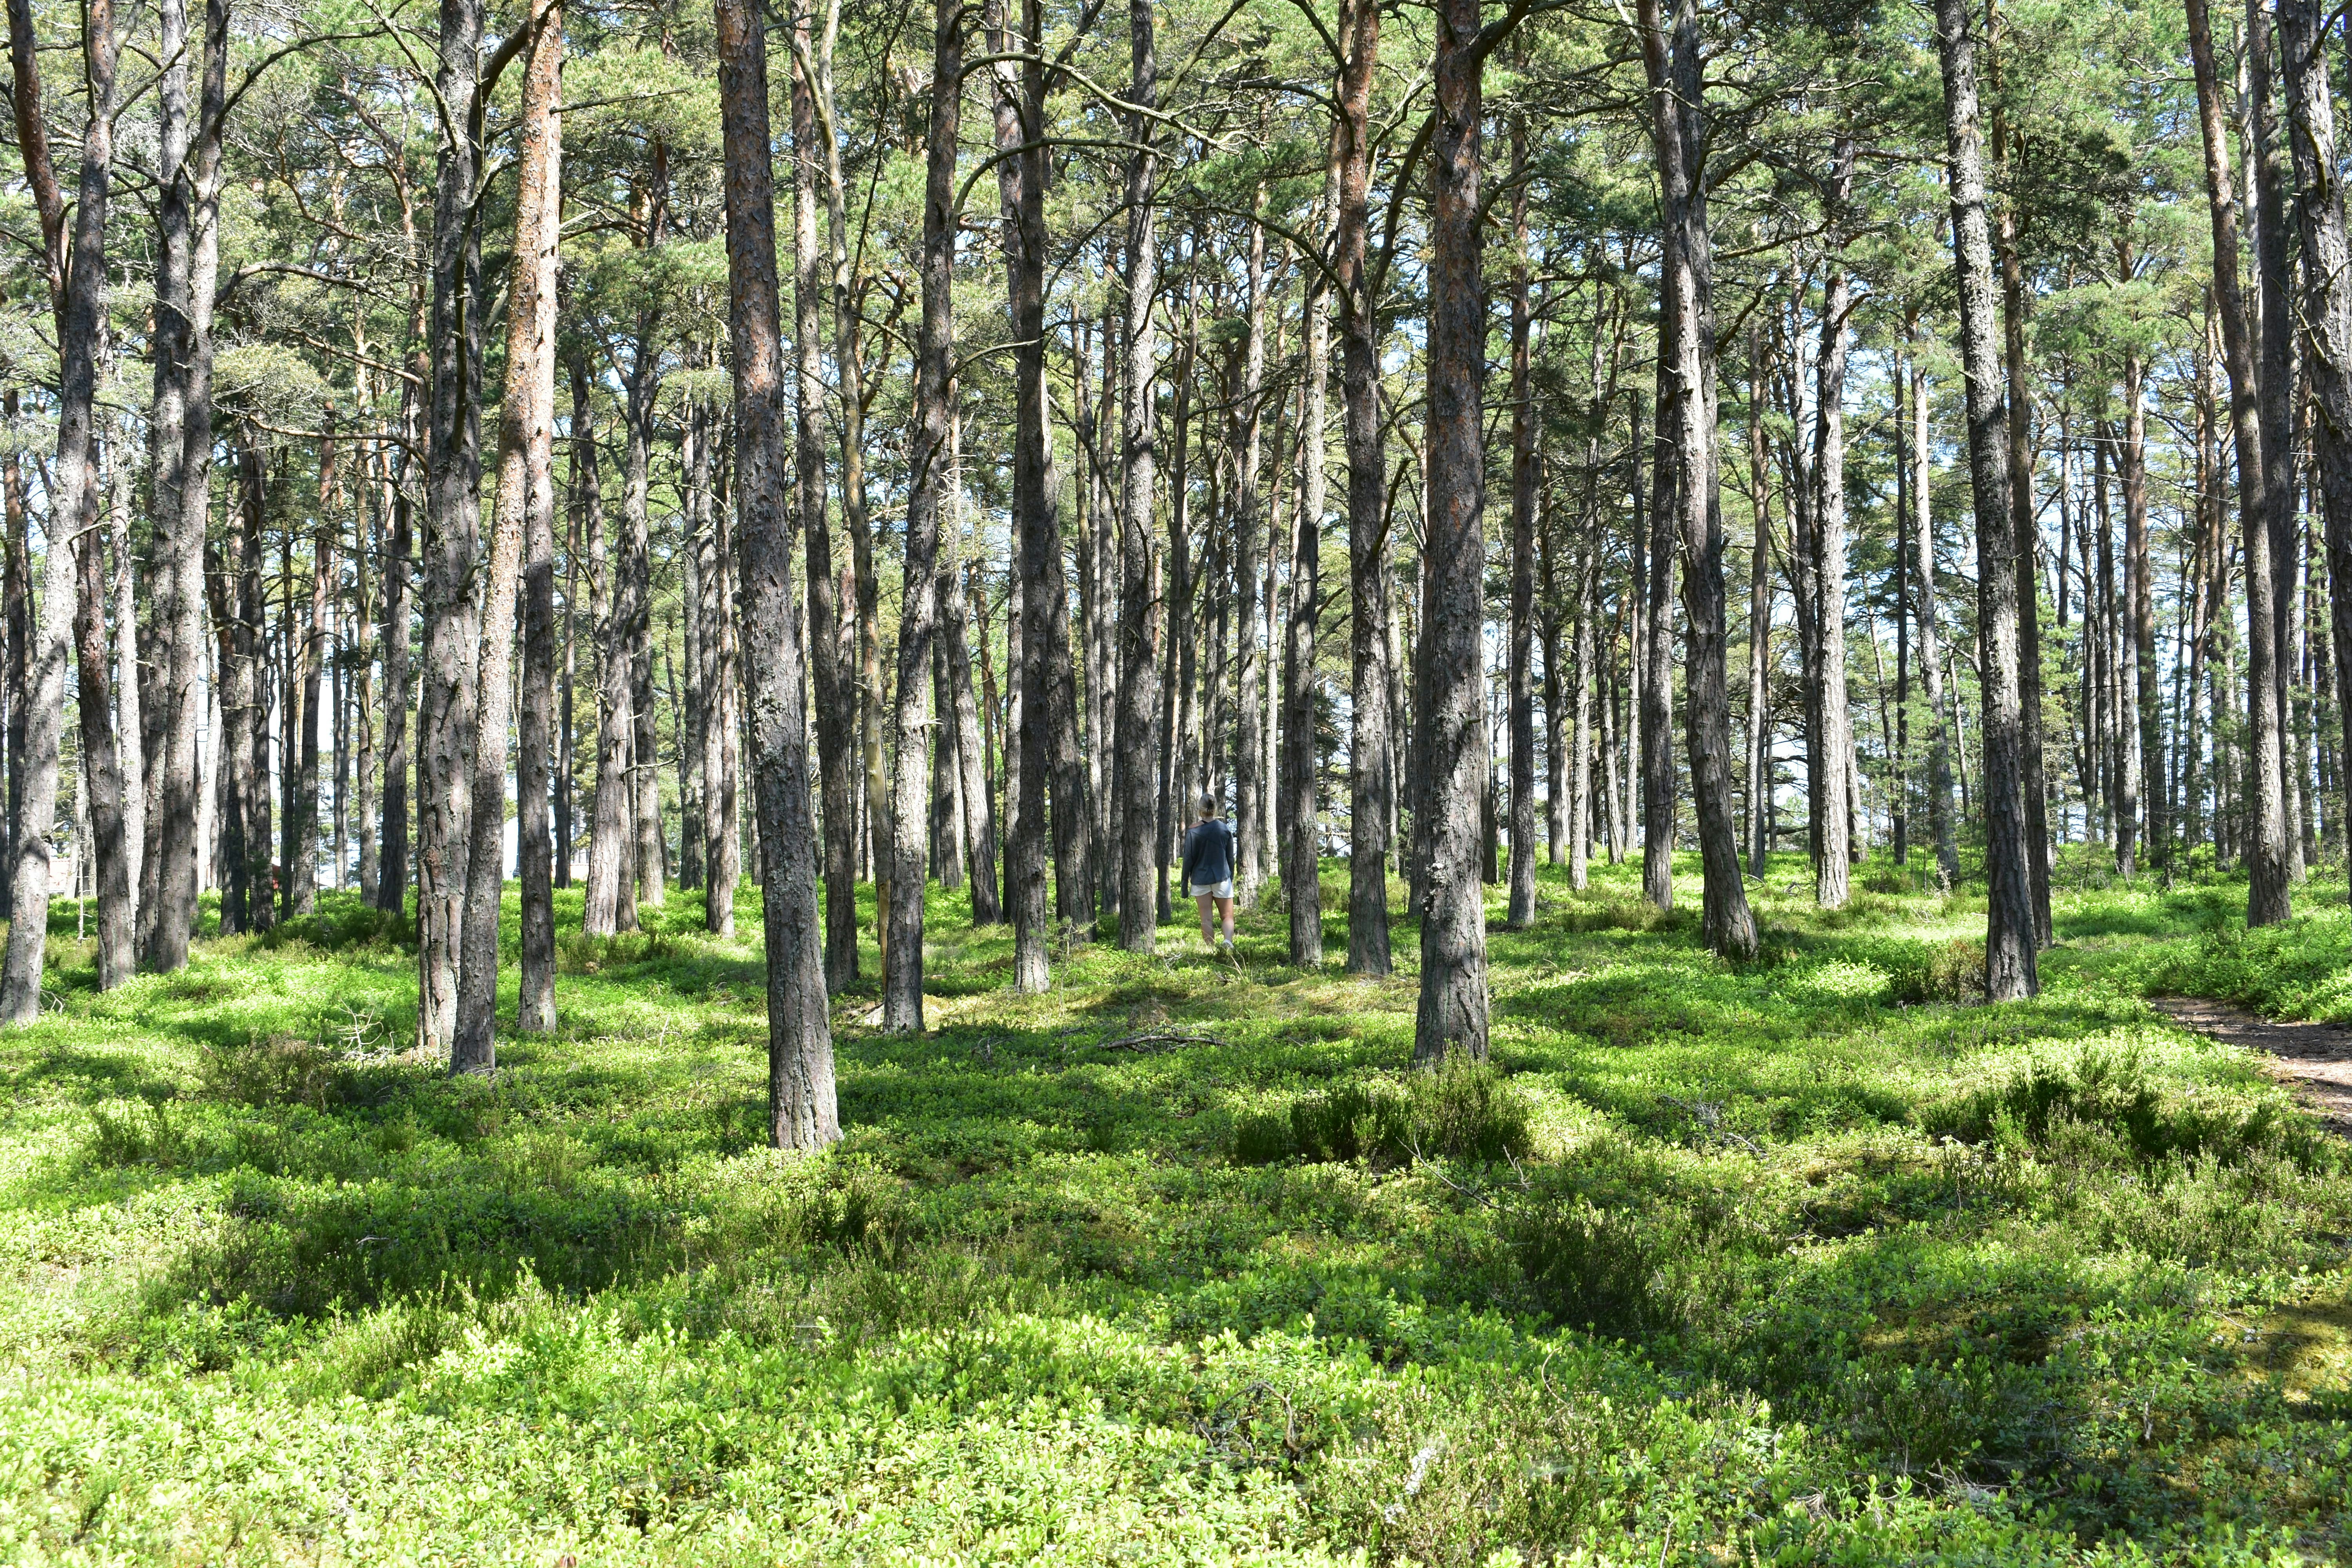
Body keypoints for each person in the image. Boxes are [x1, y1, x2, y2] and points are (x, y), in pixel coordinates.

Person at [1180, 793, 1237, 950]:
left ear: (1200, 810)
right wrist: (1230, 878)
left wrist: (1184, 883)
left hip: (1200, 880)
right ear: (1215, 809)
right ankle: (1228, 942)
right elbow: (1230, 859)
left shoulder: (1193, 831)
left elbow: (1188, 860)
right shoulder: (1225, 829)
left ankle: (1210, 950)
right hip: (1222, 879)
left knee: (1206, 919)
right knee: (1227, 916)